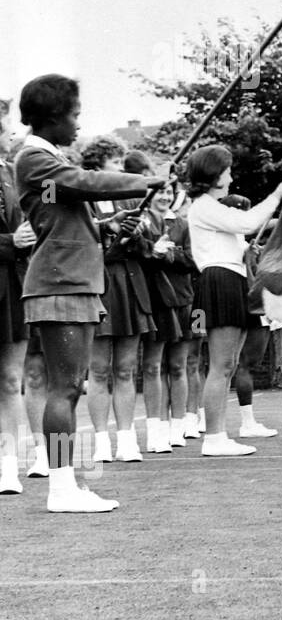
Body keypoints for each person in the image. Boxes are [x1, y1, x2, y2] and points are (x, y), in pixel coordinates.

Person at [15, 75, 163, 511]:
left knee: (73, 386)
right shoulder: (36, 160)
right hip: (58, 284)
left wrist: (106, 226)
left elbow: (60, 223)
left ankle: (67, 485)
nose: (80, 123)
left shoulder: (50, 159)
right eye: (75, 114)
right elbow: (82, 182)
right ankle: (61, 490)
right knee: (65, 387)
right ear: (53, 116)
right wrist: (144, 182)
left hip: (70, 281)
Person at [186, 145, 282, 457]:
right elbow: (247, 222)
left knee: (229, 363)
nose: (231, 177)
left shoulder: (214, 207)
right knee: (221, 365)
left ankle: (219, 435)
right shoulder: (204, 206)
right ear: (214, 175)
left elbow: (245, 233)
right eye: (228, 170)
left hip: (231, 279)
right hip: (219, 280)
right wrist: (276, 195)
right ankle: (214, 437)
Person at [82, 135, 156, 465]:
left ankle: (126, 440)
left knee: (126, 369)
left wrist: (138, 235)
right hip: (99, 284)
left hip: (130, 285)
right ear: (98, 164)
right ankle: (100, 440)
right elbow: (83, 242)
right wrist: (110, 233)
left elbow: (149, 249)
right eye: (114, 162)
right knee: (98, 371)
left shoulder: (130, 198)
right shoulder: (82, 198)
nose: (120, 168)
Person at [129, 151, 197, 453]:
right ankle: (155, 431)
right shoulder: (137, 222)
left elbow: (193, 261)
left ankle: (179, 426)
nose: (164, 197)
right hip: (152, 300)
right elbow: (133, 254)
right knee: (152, 366)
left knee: (179, 365)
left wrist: (167, 254)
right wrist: (150, 250)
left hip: (181, 300)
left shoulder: (182, 223)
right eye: (158, 193)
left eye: (168, 192)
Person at [0, 98, 37, 495]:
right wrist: (11, 241)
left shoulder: (12, 172)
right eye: (4, 125)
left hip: (12, 285)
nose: (12, 132)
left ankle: (7, 468)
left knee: (11, 380)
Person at [222, 195, 277, 439]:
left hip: (245, 304)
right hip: (249, 306)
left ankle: (204, 419)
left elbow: (272, 224)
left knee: (231, 365)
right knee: (242, 364)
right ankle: (246, 423)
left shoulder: (244, 243)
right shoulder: (238, 246)